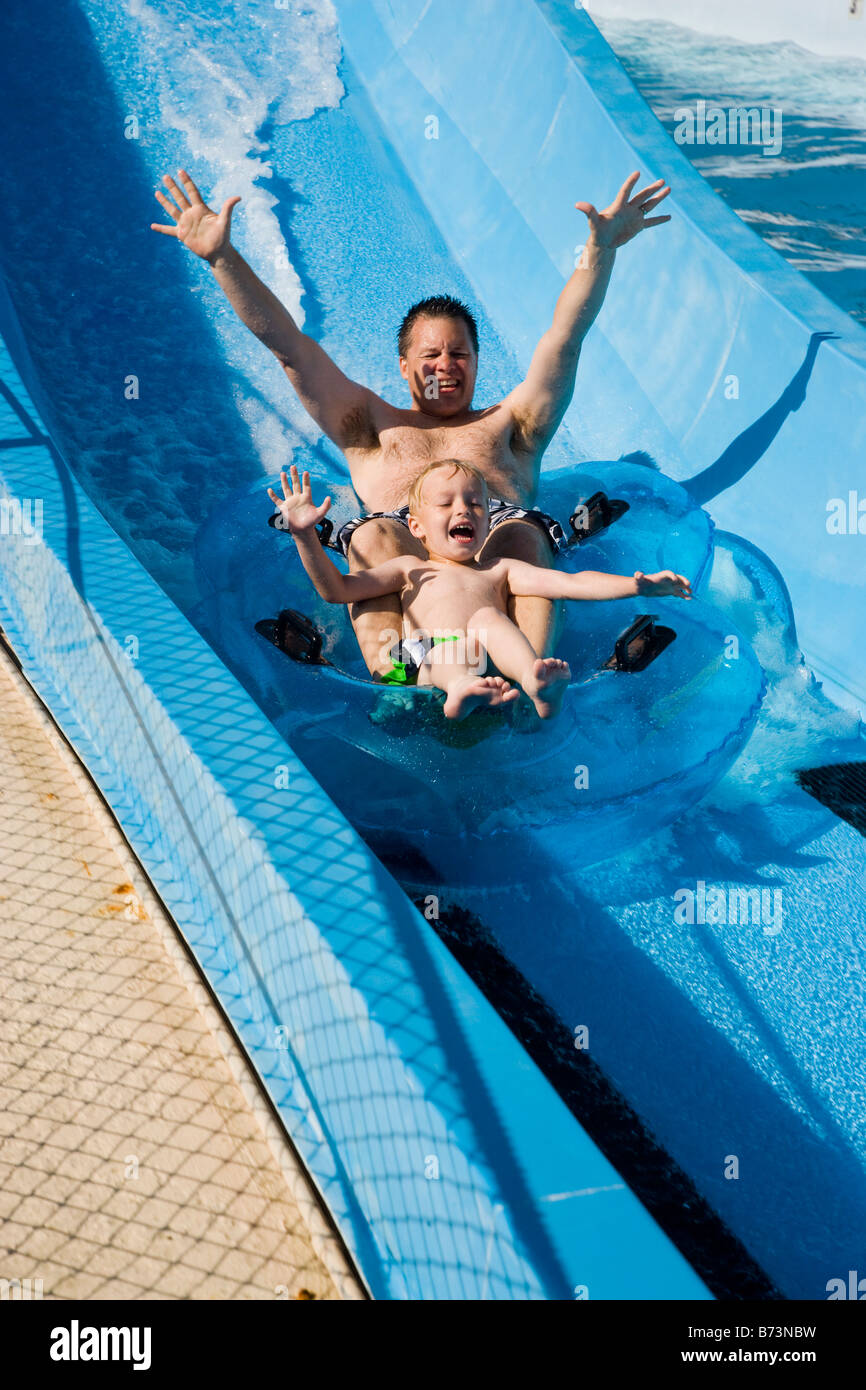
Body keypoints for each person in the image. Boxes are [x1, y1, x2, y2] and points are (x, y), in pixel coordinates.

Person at [151, 167, 671, 677]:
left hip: (496, 549)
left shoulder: (513, 424)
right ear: (404, 366)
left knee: (523, 533)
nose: (445, 365)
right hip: (402, 556)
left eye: (459, 353)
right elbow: (291, 350)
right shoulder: (371, 424)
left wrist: (600, 252)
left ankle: (530, 676)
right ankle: (394, 683)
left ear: (476, 360)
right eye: (430, 354)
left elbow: (565, 338)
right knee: (372, 535)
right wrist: (222, 259)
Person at [268, 459, 692, 721]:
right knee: (441, 650)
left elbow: (572, 583)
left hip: (482, 661)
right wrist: (305, 536)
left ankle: (534, 681)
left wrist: (641, 585)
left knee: (489, 619)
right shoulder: (409, 568)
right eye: (446, 503)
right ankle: (457, 691)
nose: (463, 510)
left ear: (489, 523)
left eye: (475, 504)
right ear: (415, 527)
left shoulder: (499, 569)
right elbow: (337, 589)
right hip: (414, 659)